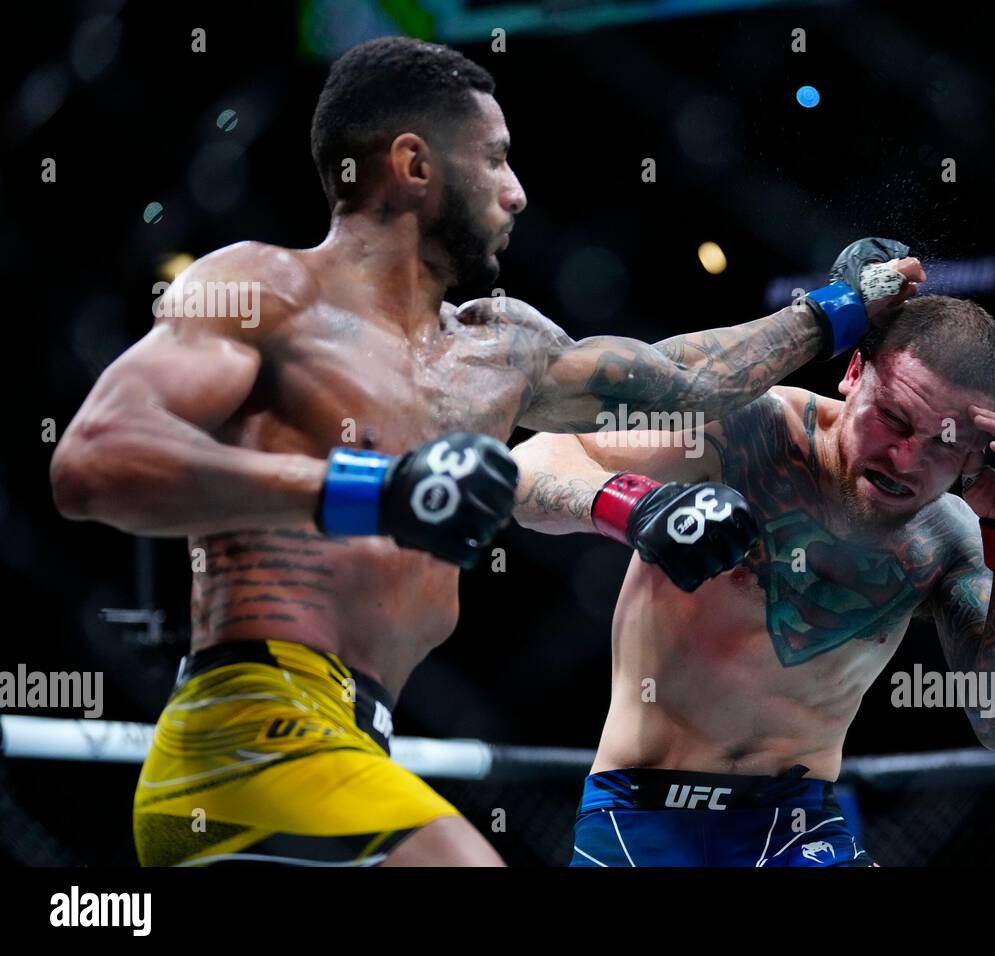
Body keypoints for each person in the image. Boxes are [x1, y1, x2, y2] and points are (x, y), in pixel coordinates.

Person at [49, 35, 921, 866]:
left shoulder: (500, 348)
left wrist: (838, 308)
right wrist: (377, 489)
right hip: (246, 731)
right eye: (496, 158)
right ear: (416, 165)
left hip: (356, 742)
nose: (518, 192)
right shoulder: (264, 288)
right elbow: (92, 460)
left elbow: (683, 381)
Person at [513, 293, 995, 866]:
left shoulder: (949, 537)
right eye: (894, 419)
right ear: (854, 373)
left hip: (797, 829)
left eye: (943, 444)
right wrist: (636, 507)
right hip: (638, 814)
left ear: (978, 453)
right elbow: (531, 467)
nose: (905, 458)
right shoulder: (746, 433)